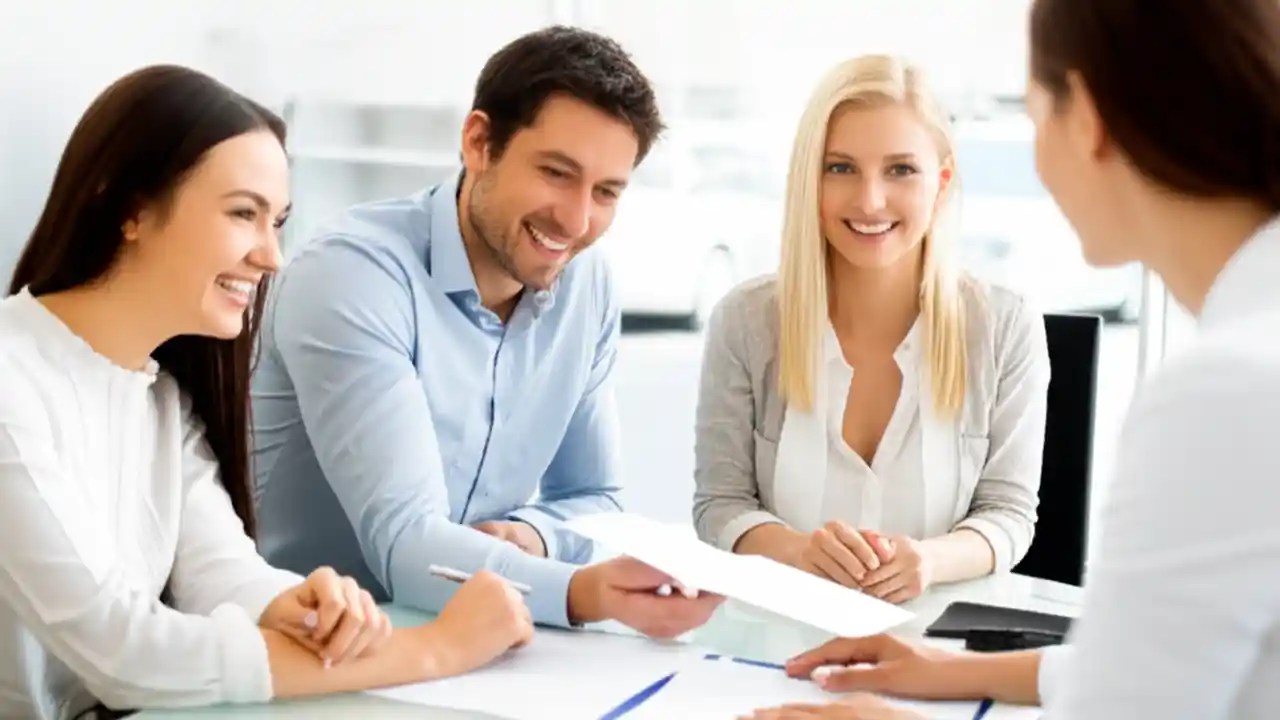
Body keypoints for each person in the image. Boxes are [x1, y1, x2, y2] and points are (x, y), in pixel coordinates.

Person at [747, 0, 1280, 718]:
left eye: (1033, 115)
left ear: (1085, 117)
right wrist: (944, 671)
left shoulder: (1224, 391)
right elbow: (1167, 665)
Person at [0, 65, 537, 720]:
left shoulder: (160, 397)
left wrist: (302, 607)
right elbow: (123, 651)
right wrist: (433, 650)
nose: (271, 256)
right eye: (243, 214)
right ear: (129, 208)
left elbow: (220, 574)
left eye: (277, 221)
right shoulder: (11, 380)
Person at [250, 26, 722, 635]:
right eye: (556, 172)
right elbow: (407, 545)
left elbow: (596, 496)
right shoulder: (354, 274)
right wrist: (582, 591)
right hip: (311, 647)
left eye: (606, 192)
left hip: (480, 646)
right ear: (478, 142)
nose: (577, 221)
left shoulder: (588, 284)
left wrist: (535, 536)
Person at [693, 54, 1050, 604]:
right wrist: (797, 550)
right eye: (840, 168)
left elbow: (1008, 514)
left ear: (942, 182)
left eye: (901, 170)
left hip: (935, 649)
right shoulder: (745, 322)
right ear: (809, 181)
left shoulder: (1004, 326)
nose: (869, 200)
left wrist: (929, 561)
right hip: (774, 639)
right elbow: (720, 506)